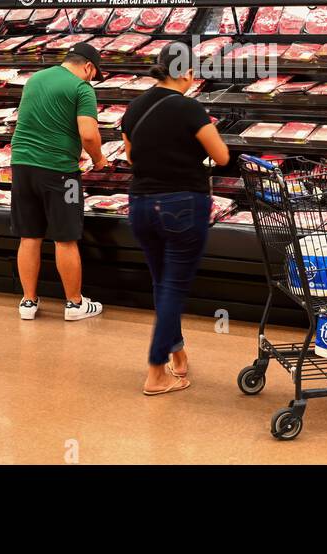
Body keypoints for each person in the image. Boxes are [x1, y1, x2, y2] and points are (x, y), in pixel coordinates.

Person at [122, 41, 230, 396]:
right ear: (185, 72)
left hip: (140, 204)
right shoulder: (189, 108)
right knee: (173, 286)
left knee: (161, 281)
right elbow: (222, 156)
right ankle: (155, 371)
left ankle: (177, 354)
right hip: (182, 204)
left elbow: (131, 155)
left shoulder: (134, 108)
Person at [9, 40, 108, 321]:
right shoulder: (82, 88)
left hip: (22, 165)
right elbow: (88, 134)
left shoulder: (35, 79)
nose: (92, 80)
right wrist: (99, 159)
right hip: (61, 171)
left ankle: (28, 302)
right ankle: (75, 304)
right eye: (94, 74)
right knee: (66, 238)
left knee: (30, 235)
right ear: (88, 67)